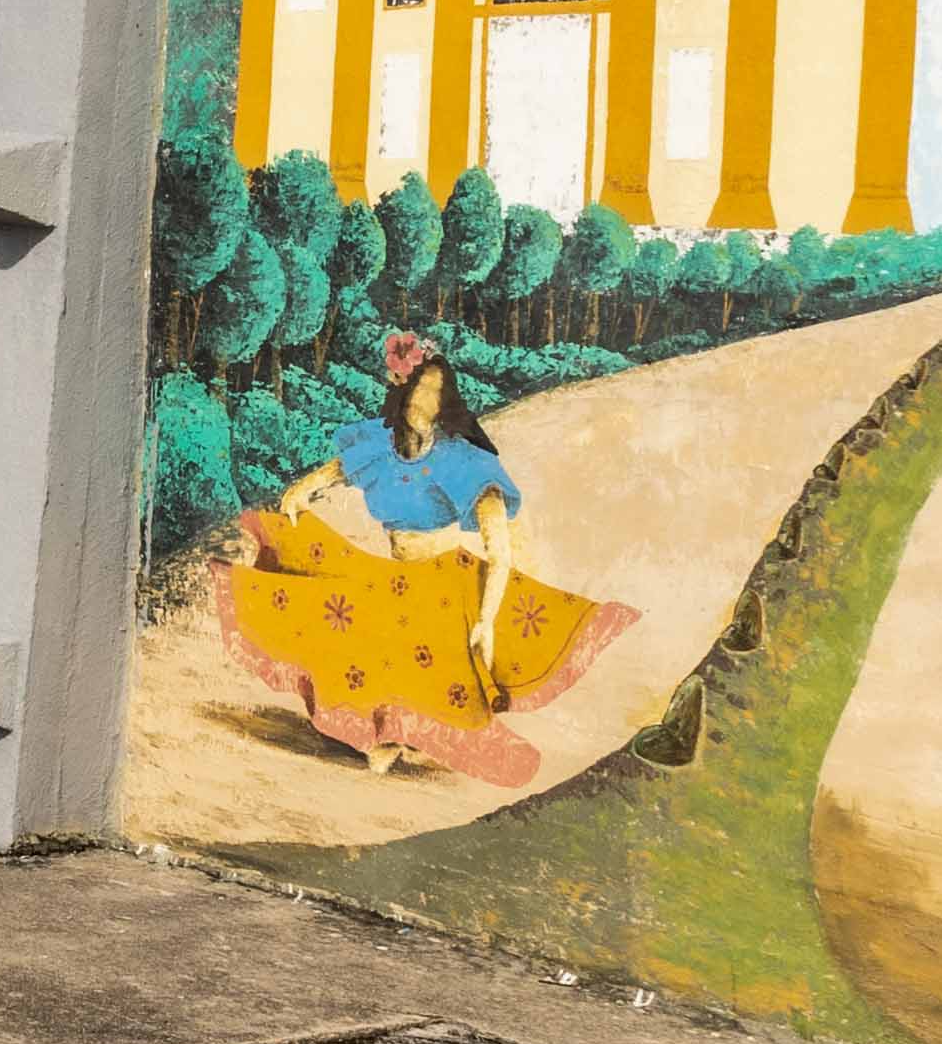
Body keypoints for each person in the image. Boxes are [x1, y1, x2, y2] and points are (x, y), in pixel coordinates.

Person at [213, 334, 637, 788]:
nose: (424, 403)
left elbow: (499, 550)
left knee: (424, 660)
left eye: (436, 394)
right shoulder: (383, 444)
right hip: (399, 575)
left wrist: (486, 619)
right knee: (349, 615)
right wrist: (301, 492)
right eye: (419, 390)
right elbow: (339, 470)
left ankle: (398, 735)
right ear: (402, 389)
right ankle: (385, 731)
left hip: (447, 586)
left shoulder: (460, 459)